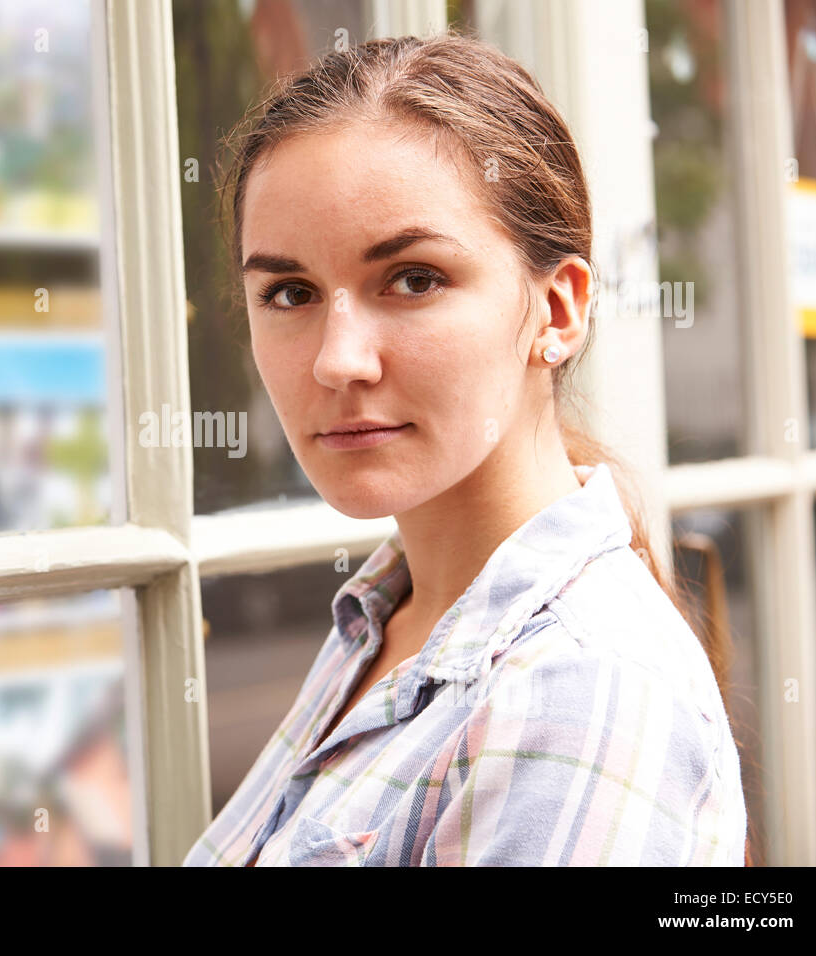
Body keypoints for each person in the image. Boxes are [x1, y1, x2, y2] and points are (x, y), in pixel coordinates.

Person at [182, 30, 751, 867]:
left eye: (413, 278)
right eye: (290, 292)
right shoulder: (391, 618)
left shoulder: (575, 692)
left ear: (557, 312)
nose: (338, 359)